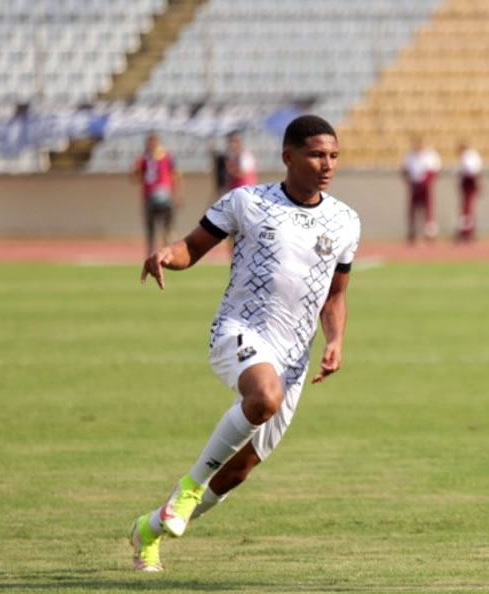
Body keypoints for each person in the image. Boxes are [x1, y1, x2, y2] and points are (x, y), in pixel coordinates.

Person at [127, 115, 361, 572]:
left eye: (333, 155)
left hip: (294, 357)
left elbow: (336, 294)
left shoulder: (345, 221)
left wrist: (335, 339)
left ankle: (149, 529)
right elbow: (191, 247)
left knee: (238, 470)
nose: (327, 164)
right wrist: (164, 255)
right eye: (316, 154)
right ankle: (190, 486)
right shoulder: (247, 202)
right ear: (288, 157)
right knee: (263, 397)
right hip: (240, 331)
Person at [130, 132, 181, 258]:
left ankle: (167, 255)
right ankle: (150, 256)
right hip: (149, 197)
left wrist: (177, 195)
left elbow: (176, 176)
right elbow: (135, 179)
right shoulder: (143, 159)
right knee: (151, 230)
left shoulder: (167, 156)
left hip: (165, 196)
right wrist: (135, 168)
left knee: (167, 229)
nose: (152, 144)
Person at [400, 135, 441, 244]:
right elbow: (405, 170)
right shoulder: (409, 156)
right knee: (412, 211)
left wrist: (426, 182)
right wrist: (410, 181)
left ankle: (430, 234)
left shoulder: (430, 155)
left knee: (428, 211)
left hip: (425, 187)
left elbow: (434, 171)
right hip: (414, 186)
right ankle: (413, 233)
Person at [455, 142, 483, 243]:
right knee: (466, 210)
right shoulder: (467, 157)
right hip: (467, 184)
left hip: (469, 184)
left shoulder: (469, 157)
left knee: (467, 210)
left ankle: (466, 233)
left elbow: (472, 172)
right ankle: (466, 232)